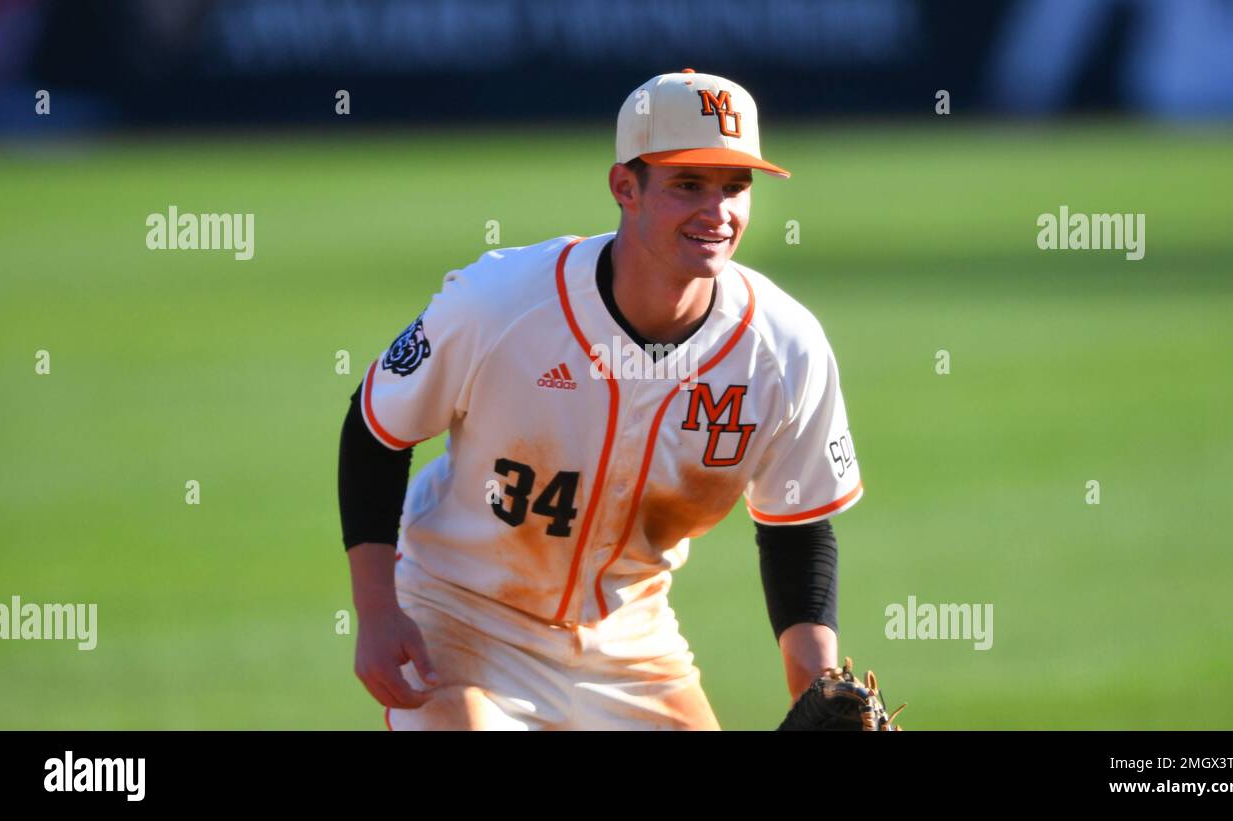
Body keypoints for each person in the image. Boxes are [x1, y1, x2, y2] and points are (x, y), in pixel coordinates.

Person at [337, 69, 863, 730]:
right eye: (688, 185)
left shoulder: (784, 349)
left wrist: (816, 691)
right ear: (625, 187)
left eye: (735, 186)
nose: (718, 211)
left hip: (632, 649)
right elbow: (376, 425)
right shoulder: (501, 305)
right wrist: (378, 610)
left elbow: (797, 530)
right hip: (461, 617)